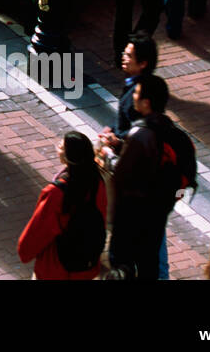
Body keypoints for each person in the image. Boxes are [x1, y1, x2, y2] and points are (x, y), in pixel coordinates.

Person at [108, 74, 177, 279]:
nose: (133, 97)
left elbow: (120, 172)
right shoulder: (170, 130)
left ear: (146, 102)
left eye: (136, 93)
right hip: (158, 210)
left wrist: (108, 155)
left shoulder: (139, 133)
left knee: (121, 261)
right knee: (150, 262)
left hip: (133, 211)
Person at [17, 131, 107, 279]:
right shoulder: (97, 181)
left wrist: (25, 252)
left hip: (55, 267)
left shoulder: (56, 192)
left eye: (60, 146)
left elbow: (38, 231)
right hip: (87, 266)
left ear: (67, 156)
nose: (57, 147)